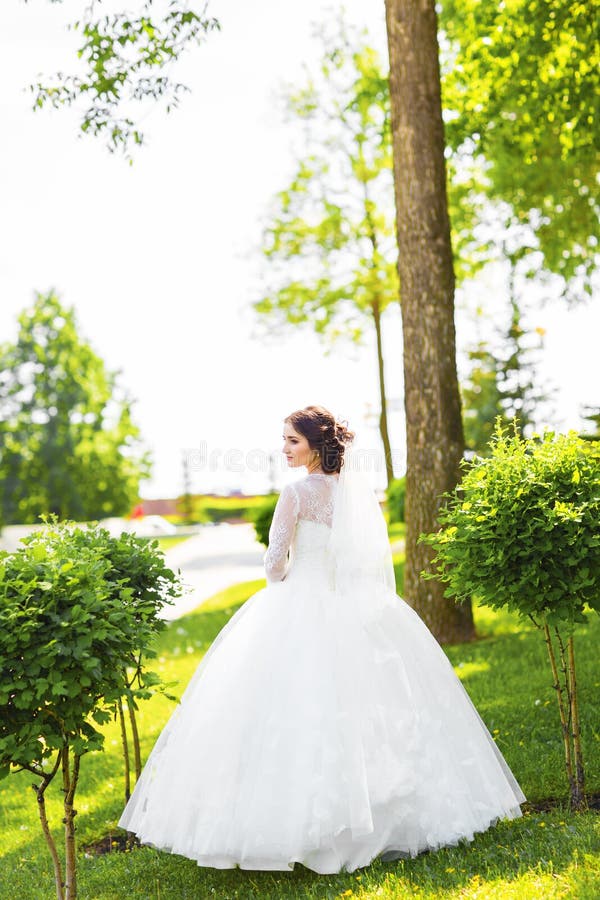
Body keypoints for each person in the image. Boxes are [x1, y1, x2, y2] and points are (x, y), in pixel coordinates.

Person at [118, 404, 525, 874]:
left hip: (300, 598)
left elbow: (273, 565)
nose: (285, 448)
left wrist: (289, 574)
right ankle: (383, 817)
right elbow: (362, 559)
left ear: (315, 443)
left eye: (292, 440)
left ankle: (298, 829)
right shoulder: (354, 494)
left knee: (289, 709)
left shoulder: (295, 494)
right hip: (352, 601)